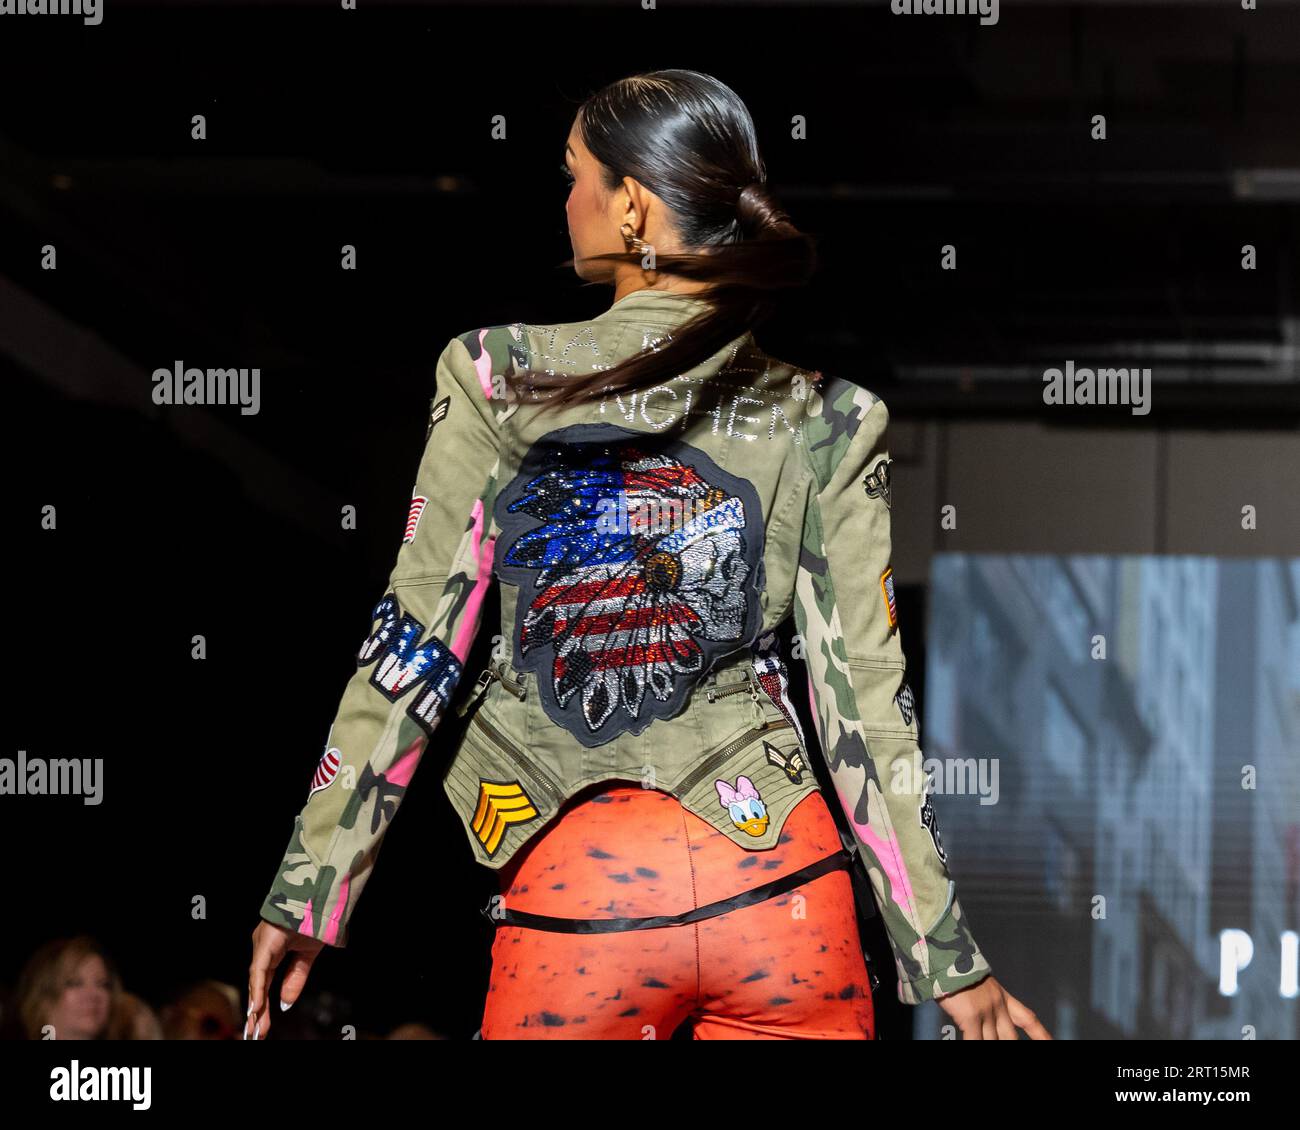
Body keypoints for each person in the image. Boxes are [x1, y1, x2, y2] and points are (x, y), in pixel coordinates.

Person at [246, 68, 1050, 1041]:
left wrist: (311, 888)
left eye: (574, 173)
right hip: (784, 897)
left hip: (581, 903)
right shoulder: (831, 417)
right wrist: (943, 954)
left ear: (629, 204)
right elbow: (865, 704)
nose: (567, 198)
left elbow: (412, 648)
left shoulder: (497, 377)